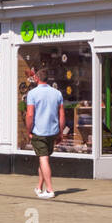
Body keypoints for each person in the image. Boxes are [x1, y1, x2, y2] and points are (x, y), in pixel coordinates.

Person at [24, 67, 64, 200]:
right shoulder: (57, 93)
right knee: (44, 157)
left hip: (39, 131)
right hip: (52, 131)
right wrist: (60, 132)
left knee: (43, 158)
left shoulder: (32, 94)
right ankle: (39, 187)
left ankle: (50, 189)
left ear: (36, 78)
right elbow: (62, 115)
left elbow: (30, 115)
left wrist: (28, 130)